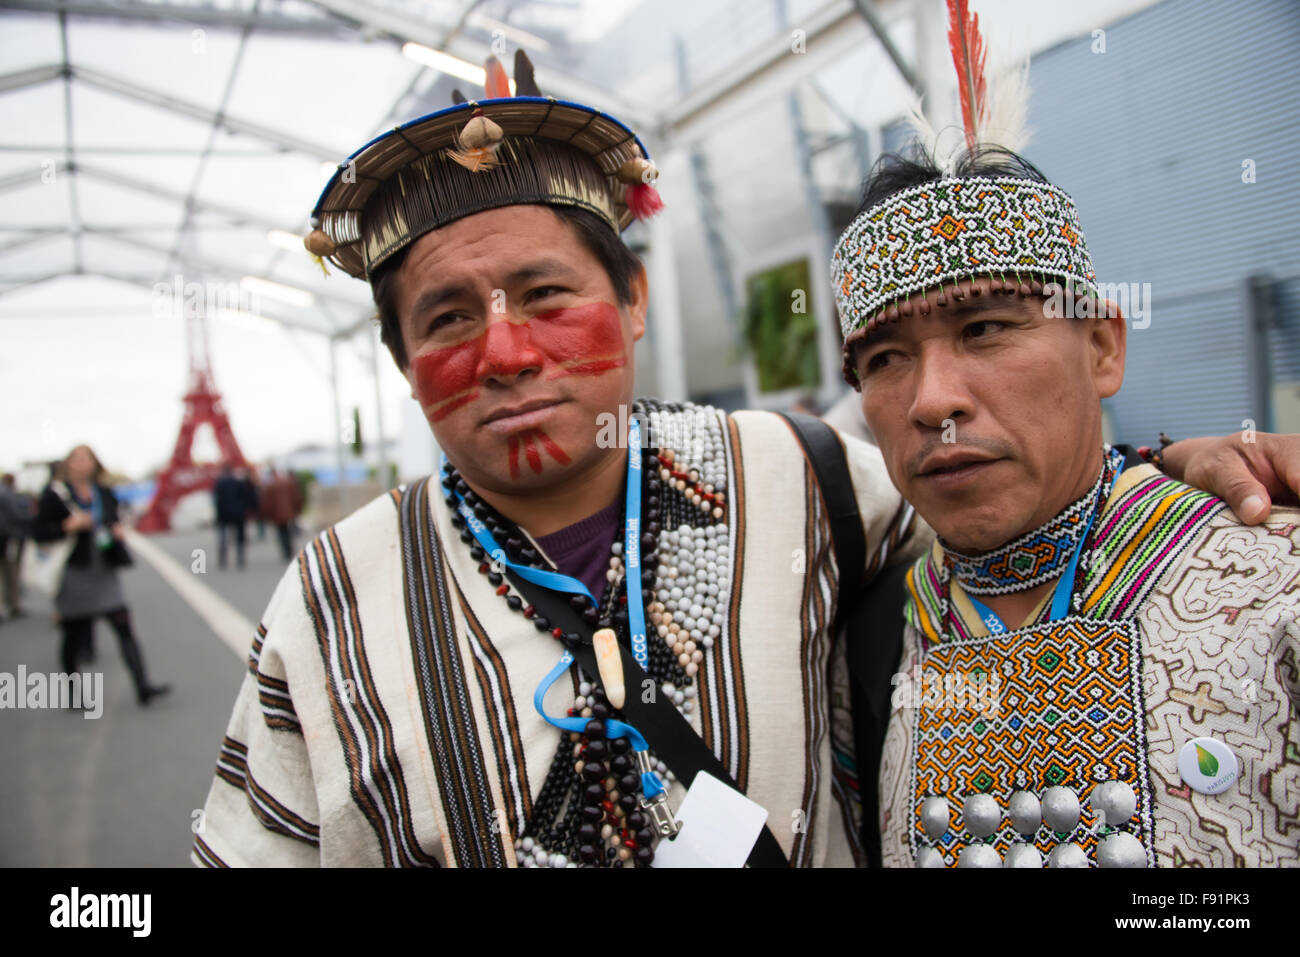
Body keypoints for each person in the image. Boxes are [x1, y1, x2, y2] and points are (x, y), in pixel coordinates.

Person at [191, 52, 1296, 869]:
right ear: (399, 359)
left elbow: (1022, 500)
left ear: (631, 301)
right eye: (443, 321)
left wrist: (1177, 467)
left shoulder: (806, 479)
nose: (506, 354)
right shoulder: (328, 602)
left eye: (545, 296)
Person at [833, 131, 1300, 861]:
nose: (932, 400)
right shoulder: (872, 645)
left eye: (984, 327)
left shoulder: (1277, 585)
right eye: (885, 357)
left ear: (1103, 347)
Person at [30, 445, 171, 706]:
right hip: (74, 571)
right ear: (68, 463)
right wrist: (65, 526)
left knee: (123, 625)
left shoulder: (104, 492)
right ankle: (73, 694)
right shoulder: (55, 494)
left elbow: (114, 519)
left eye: (88, 459)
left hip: (103, 567)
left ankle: (142, 685)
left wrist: (117, 529)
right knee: (73, 634)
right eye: (78, 459)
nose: (83, 464)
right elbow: (38, 532)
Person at [0, 473, 32, 620]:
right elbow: (16, 516)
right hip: (6, 538)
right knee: (10, 572)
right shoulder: (8, 495)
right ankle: (13, 605)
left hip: (5, 537)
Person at [259, 467, 303, 561]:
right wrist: (297, 509)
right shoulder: (288, 483)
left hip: (277, 513)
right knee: (287, 530)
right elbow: (296, 497)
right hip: (289, 511)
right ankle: (289, 549)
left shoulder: (270, 485)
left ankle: (286, 550)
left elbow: (267, 502)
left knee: (281, 531)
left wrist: (267, 514)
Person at [212, 465, 249, 570]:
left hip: (224, 514)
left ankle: (223, 560)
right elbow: (245, 497)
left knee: (222, 538)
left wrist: (218, 515)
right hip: (238, 513)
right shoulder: (238, 482)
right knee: (239, 537)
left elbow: (217, 500)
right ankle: (240, 559)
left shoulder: (219, 483)